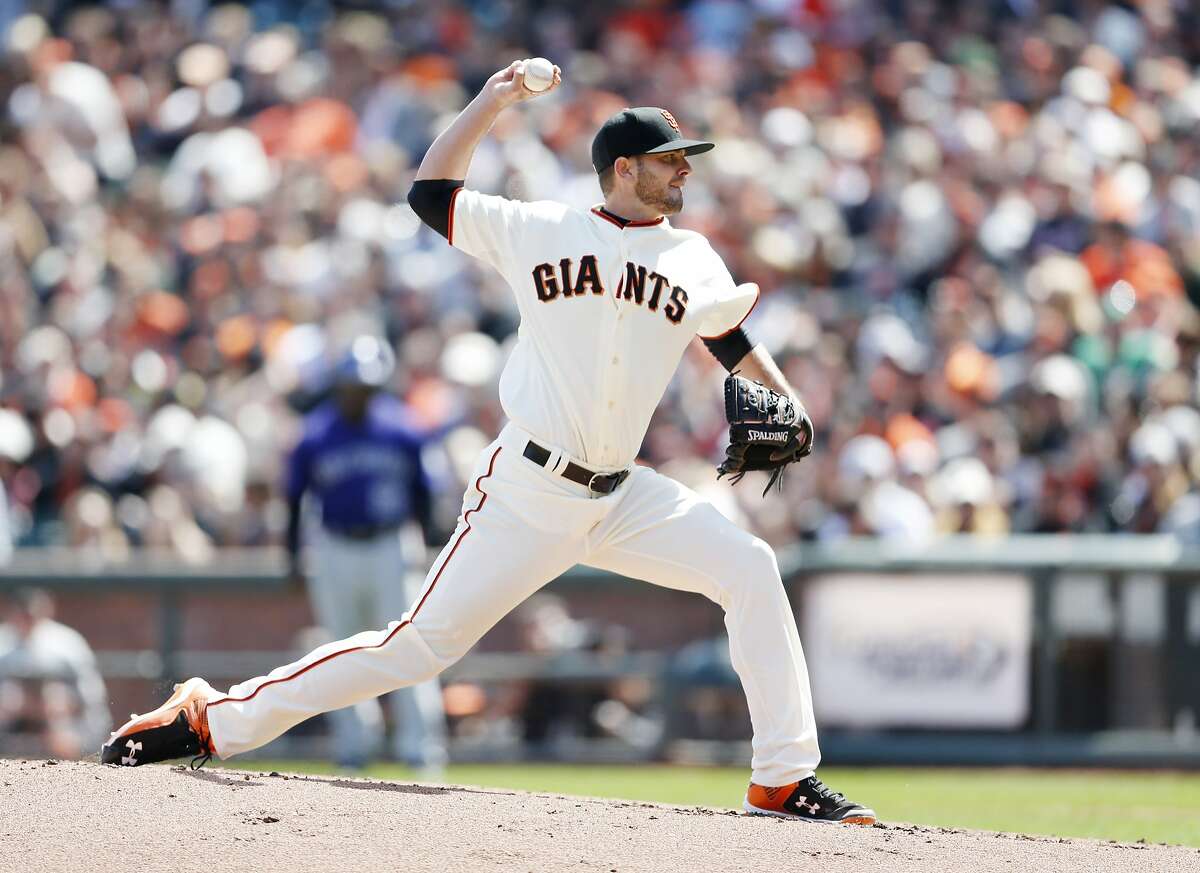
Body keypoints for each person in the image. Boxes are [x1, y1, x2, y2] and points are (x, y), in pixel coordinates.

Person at [103, 60, 874, 825]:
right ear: (624, 168)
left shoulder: (692, 255)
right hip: (526, 489)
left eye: (686, 160)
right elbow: (430, 195)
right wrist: (492, 99)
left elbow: (733, 342)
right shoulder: (539, 228)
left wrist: (785, 399)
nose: (683, 172)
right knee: (416, 649)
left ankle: (781, 777)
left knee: (749, 566)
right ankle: (214, 717)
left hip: (622, 493)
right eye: (671, 160)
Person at [283, 335, 447, 771]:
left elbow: (426, 495)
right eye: (353, 387)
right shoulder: (316, 432)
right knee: (340, 649)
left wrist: (428, 543)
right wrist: (292, 552)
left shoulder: (404, 427)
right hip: (335, 544)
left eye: (367, 388)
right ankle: (354, 746)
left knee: (410, 645)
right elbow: (294, 498)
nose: (359, 396)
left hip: (391, 543)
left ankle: (420, 748)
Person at [0, 588, 111, 758]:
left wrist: (61, 705)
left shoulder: (67, 644)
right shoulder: (3, 642)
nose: (27, 619)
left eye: (32, 613)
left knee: (56, 696)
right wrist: (16, 703)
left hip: (58, 726)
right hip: (8, 726)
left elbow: (92, 699)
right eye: (22, 614)